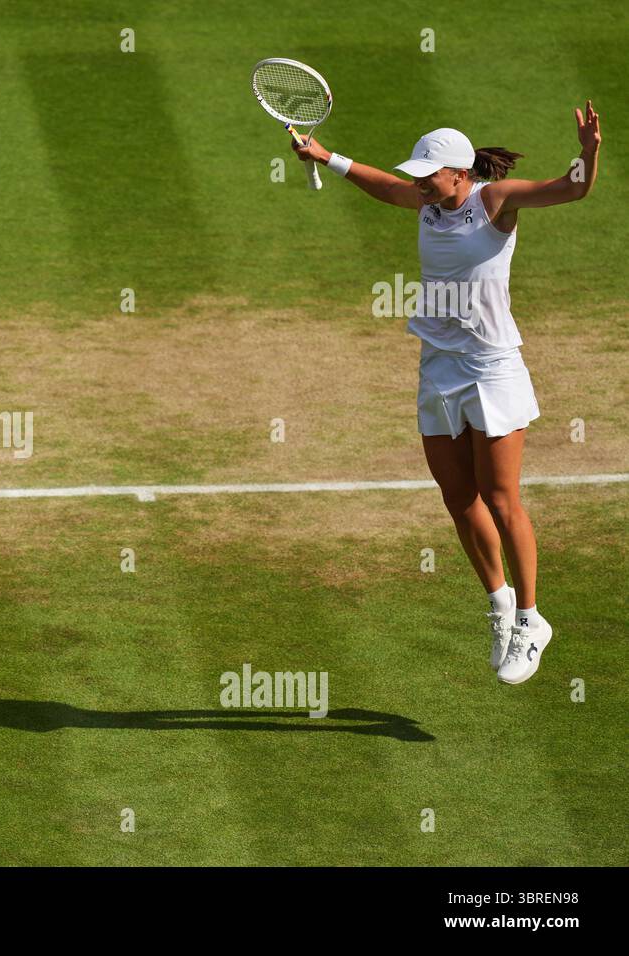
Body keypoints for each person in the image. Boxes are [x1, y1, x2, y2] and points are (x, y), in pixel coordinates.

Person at [291, 103, 601, 684]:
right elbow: (383, 187)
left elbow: (571, 191)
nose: (417, 182)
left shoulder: (494, 202)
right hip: (439, 365)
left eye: (427, 174)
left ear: (459, 173)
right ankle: (500, 603)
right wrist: (325, 156)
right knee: (457, 494)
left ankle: (533, 621)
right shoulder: (427, 203)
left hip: (491, 367)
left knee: (500, 496)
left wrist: (589, 153)